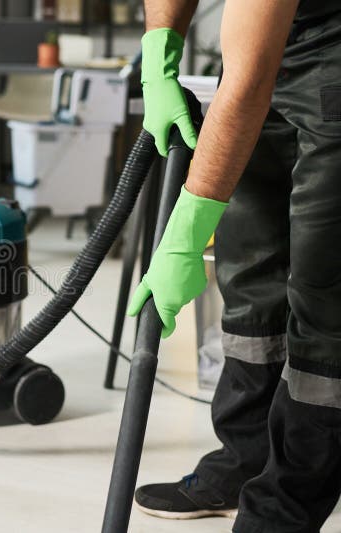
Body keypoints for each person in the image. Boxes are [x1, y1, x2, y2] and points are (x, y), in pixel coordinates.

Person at [127, 0, 341, 531]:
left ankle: (286, 502)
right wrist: (160, 49)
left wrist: (185, 231)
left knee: (323, 293)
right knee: (248, 271)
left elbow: (244, 87)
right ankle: (245, 459)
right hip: (277, 36)